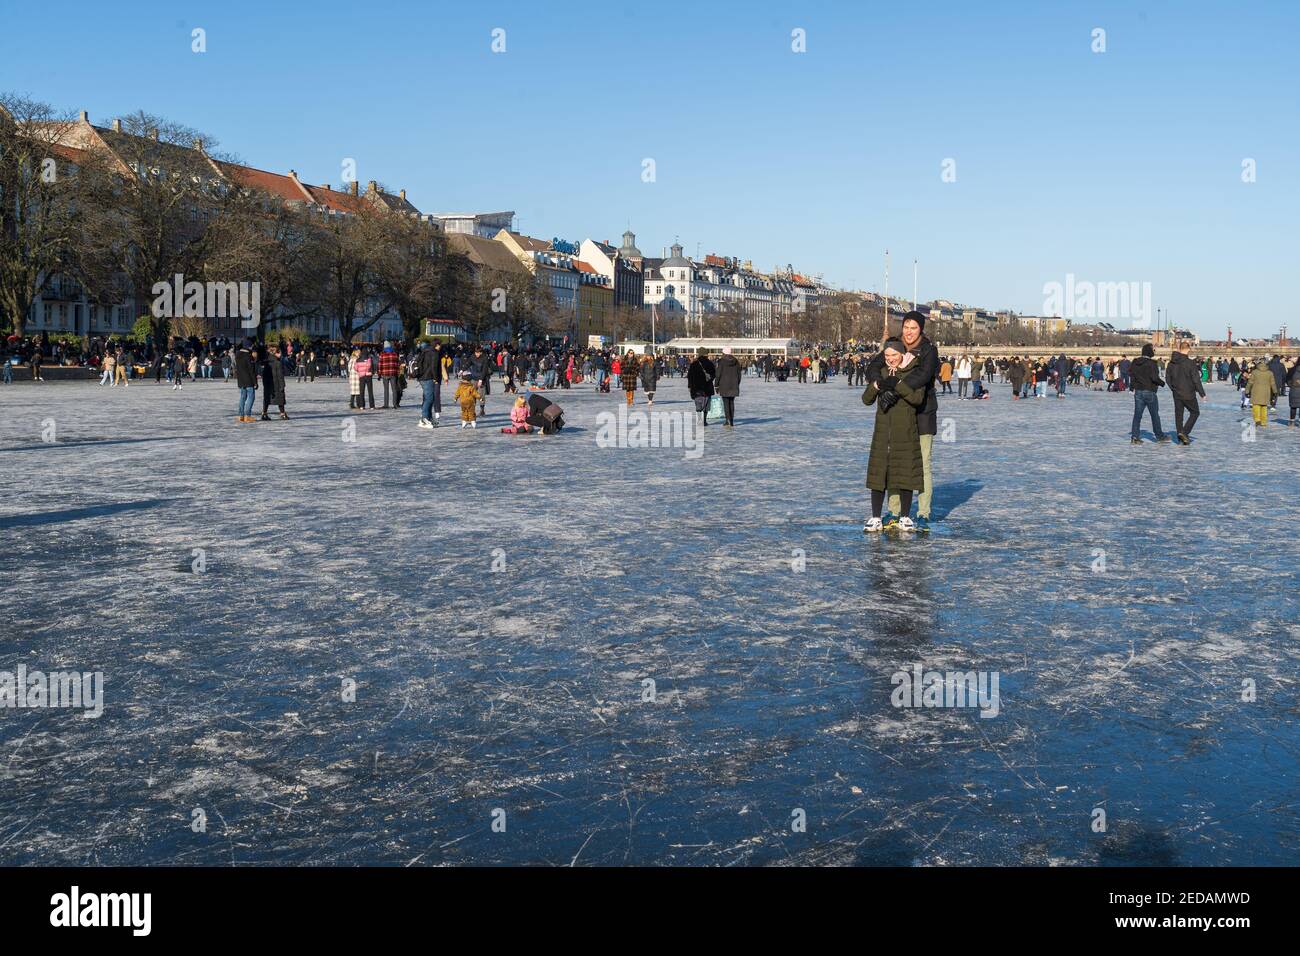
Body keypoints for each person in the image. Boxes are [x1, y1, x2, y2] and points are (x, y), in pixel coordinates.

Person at [868, 311, 937, 531]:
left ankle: (923, 513)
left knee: (921, 465)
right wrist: (882, 383)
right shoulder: (894, 345)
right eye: (906, 326)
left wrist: (895, 389)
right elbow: (873, 368)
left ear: (921, 329)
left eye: (913, 327)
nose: (908, 331)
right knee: (895, 461)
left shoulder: (928, 350)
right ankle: (894, 511)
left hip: (922, 412)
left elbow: (923, 376)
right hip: (898, 415)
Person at [861, 339, 924, 533]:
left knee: (905, 473)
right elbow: (866, 399)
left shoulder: (915, 371)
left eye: (894, 356)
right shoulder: (880, 372)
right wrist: (877, 385)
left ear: (902, 354)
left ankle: (905, 516)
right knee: (879, 474)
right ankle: (876, 517)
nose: (890, 360)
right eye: (887, 356)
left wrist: (898, 384)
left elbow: (917, 398)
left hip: (905, 430)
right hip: (882, 432)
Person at [1129, 343, 1170, 444]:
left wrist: (1132, 387)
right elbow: (1154, 378)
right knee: (1154, 415)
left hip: (1138, 391)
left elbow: (1132, 376)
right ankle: (1159, 436)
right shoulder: (1152, 363)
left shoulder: (1135, 362)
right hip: (1149, 391)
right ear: (1149, 351)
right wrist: (1162, 383)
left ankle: (1135, 436)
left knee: (1137, 415)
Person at [1166, 349, 1205, 444]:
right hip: (1188, 393)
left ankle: (1180, 436)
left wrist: (1173, 389)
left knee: (1179, 415)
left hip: (1177, 393)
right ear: (1187, 349)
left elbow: (1168, 379)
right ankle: (1184, 432)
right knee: (1195, 412)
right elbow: (1196, 379)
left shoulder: (1171, 363)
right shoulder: (1190, 363)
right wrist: (1202, 393)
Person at [416, 341, 442, 428]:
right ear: (437, 345)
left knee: (429, 398)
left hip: (422, 377)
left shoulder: (425, 351)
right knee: (429, 398)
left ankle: (429, 417)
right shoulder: (434, 353)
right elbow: (433, 367)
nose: (440, 347)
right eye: (440, 345)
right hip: (428, 378)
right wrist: (435, 378)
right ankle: (424, 418)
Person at [687, 347, 716, 426]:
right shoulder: (710, 363)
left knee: (698, 404)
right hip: (707, 387)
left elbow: (689, 376)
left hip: (696, 388)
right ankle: (704, 421)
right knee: (706, 405)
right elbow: (713, 375)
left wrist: (690, 386)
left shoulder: (694, 364)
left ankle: (699, 419)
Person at [1246, 359, 1278, 429]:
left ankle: (1257, 420)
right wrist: (1275, 392)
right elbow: (1273, 383)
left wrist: (1247, 391)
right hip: (1266, 392)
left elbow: (1250, 382)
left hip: (1256, 391)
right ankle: (1263, 422)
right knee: (1264, 406)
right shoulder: (1270, 373)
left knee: (1256, 405)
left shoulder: (1255, 372)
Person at [714, 346, 742, 426]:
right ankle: (731, 420)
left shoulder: (721, 361)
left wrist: (716, 385)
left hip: (724, 385)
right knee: (731, 402)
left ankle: (728, 420)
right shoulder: (736, 361)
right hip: (734, 385)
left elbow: (718, 374)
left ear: (724, 353)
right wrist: (737, 383)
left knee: (726, 403)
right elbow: (739, 374)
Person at [260, 345, 288, 420]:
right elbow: (280, 375)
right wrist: (282, 385)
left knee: (267, 398)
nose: (280, 354)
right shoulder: (277, 362)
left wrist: (265, 384)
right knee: (280, 398)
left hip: (268, 384)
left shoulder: (267, 362)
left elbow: (264, 375)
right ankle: (282, 413)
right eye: (279, 352)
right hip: (277, 384)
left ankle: (264, 413)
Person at [234, 339, 258, 422]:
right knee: (251, 397)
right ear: (248, 346)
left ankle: (241, 415)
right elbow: (251, 371)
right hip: (249, 380)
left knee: (242, 397)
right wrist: (255, 382)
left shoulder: (237, 355)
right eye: (251, 346)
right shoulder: (248, 356)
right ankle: (247, 415)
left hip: (241, 380)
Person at [378, 341, 400, 409]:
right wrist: (397, 373)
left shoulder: (382, 355)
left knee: (386, 390)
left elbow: (380, 365)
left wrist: (379, 374)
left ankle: (386, 404)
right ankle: (395, 404)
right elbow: (397, 365)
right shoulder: (394, 354)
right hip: (393, 374)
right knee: (394, 389)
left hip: (385, 374)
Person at [1288, 357, 1300, 426]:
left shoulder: (1292, 369)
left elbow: (1287, 379)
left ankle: (1292, 421)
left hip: (1294, 390)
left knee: (1293, 406)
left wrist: (1291, 385)